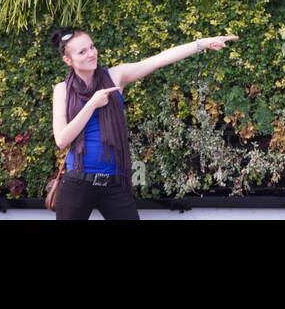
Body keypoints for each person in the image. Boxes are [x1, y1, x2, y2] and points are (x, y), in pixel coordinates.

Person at [49, 26, 238, 220]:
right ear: (68, 60)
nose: (91, 54)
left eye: (92, 47)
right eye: (82, 51)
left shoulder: (115, 77)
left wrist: (203, 43)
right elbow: (62, 140)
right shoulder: (62, 90)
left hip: (113, 183)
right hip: (77, 183)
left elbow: (158, 60)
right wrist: (92, 104)